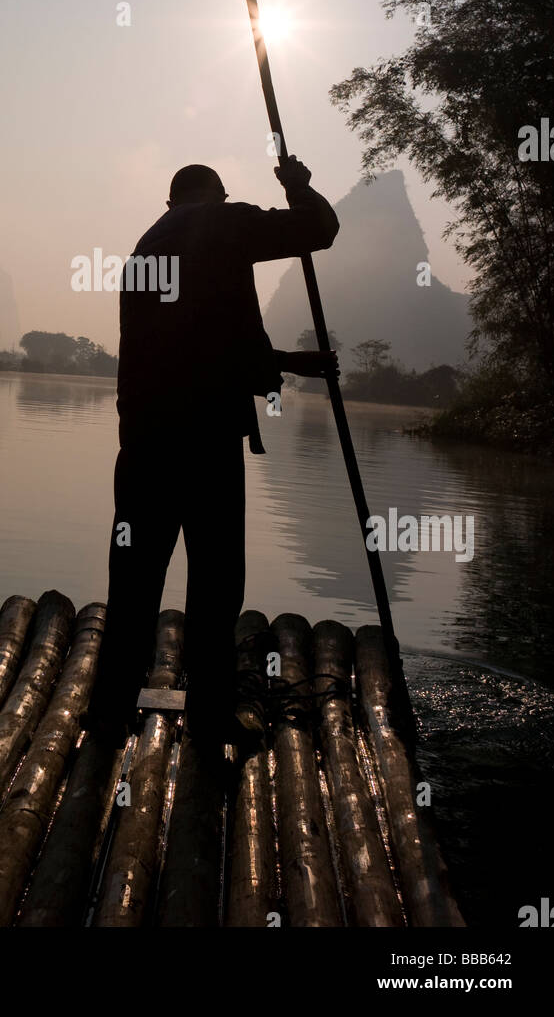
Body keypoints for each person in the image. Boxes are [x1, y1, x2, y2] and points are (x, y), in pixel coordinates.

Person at [84, 157, 340, 751]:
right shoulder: (226, 223)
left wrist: (288, 365)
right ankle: (209, 720)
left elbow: (202, 340)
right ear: (217, 195)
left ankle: (106, 718)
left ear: (170, 201)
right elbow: (319, 228)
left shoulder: (142, 252)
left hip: (145, 446)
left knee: (134, 584)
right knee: (217, 586)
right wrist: (298, 186)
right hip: (206, 445)